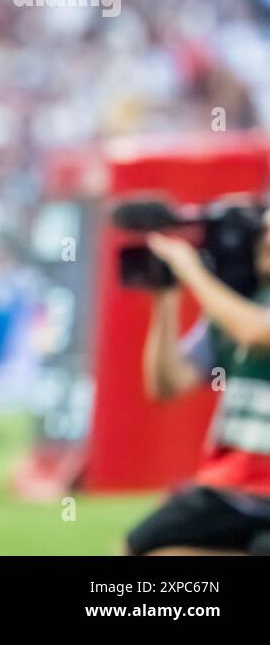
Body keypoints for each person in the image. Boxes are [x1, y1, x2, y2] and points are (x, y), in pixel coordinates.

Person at [125, 212, 270, 555]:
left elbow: (255, 332)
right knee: (149, 547)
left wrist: (192, 270)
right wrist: (166, 298)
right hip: (236, 486)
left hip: (256, 489)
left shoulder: (241, 317)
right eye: (264, 231)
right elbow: (166, 383)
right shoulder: (237, 308)